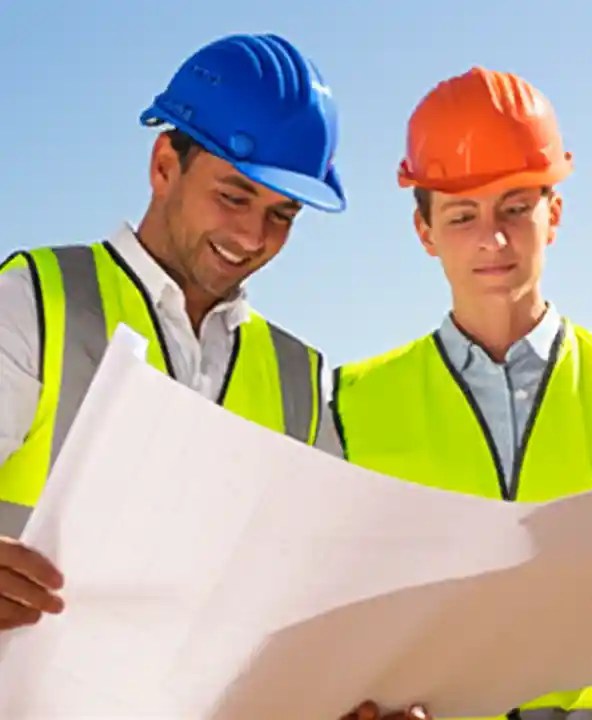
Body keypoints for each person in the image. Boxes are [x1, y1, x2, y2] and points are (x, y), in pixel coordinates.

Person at [327, 66, 592, 720]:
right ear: (425, 232)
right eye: (463, 215)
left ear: (555, 215)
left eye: (515, 208)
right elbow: (324, 597)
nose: (492, 239)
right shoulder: (354, 405)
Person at [0, 33, 348, 634]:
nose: (252, 237)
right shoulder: (35, 300)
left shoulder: (300, 379)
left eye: (281, 215)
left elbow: (322, 576)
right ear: (164, 166)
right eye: (233, 197)